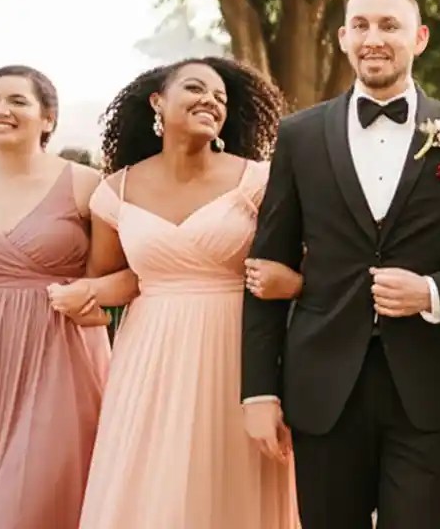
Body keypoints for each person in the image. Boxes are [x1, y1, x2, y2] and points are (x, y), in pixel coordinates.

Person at [242, 0, 440, 528]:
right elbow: (267, 267)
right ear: (342, 38)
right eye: (360, 25)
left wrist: (433, 293)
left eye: (390, 25)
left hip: (424, 386)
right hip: (321, 384)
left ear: (419, 37)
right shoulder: (298, 137)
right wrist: (258, 392)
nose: (374, 38)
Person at [75, 57, 301, 528]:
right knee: (153, 485)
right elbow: (120, 277)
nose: (210, 101)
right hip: (150, 355)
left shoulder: (257, 182)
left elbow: (298, 261)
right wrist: (88, 291)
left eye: (220, 97)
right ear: (158, 102)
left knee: (231, 486)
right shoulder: (114, 192)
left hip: (237, 349)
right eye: (195, 88)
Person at [0, 66, 110, 529]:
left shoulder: (87, 185)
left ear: (48, 118)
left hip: (58, 356)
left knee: (25, 506)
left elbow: (114, 276)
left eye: (17, 101)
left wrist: (89, 296)